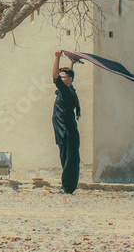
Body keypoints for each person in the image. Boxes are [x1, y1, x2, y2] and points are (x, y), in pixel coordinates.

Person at [51, 49, 81, 194]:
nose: (61, 78)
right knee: (65, 158)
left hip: (67, 131)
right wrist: (71, 63)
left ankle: (68, 188)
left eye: (64, 77)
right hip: (63, 131)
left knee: (69, 160)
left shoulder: (68, 92)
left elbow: (55, 78)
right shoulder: (68, 89)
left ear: (69, 80)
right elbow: (66, 75)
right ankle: (67, 187)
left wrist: (57, 57)